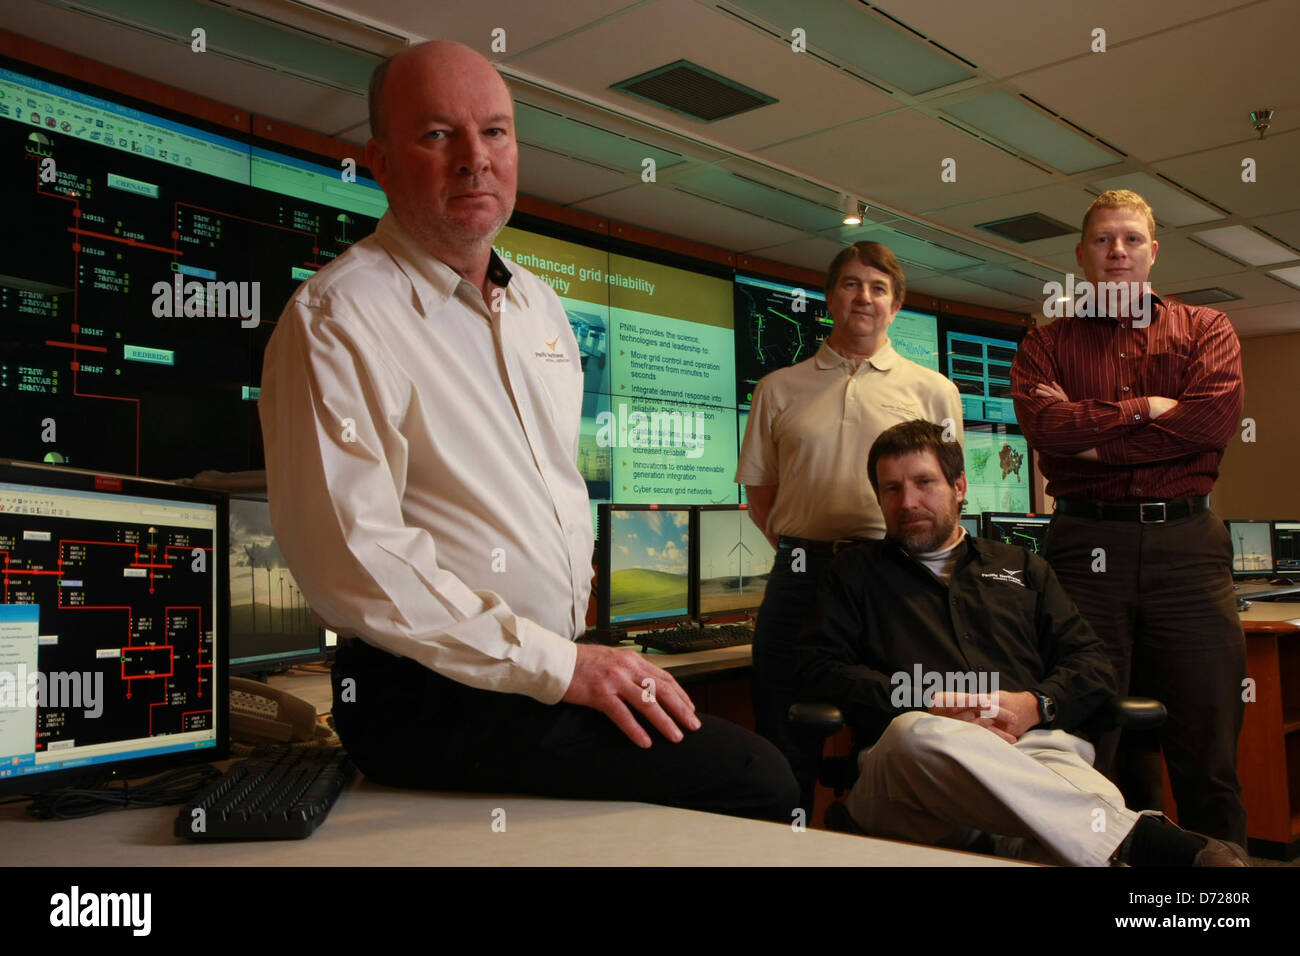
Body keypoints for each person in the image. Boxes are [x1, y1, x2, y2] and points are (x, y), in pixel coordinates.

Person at [258, 40, 797, 820]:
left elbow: (556, 483)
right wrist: (561, 668)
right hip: (428, 694)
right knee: (756, 776)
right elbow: (355, 556)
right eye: (437, 135)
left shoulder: (541, 309)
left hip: (539, 669)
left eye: (496, 132)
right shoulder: (338, 319)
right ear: (379, 160)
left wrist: (573, 652)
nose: (475, 160)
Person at [795, 420, 1247, 865]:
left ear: (959, 485)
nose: (907, 501)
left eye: (924, 482)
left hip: (1031, 751)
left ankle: (1052, 842)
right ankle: (1141, 842)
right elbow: (819, 671)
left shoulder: (1024, 567)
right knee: (914, 734)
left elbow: (1092, 665)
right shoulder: (853, 575)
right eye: (890, 489)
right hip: (909, 775)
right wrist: (926, 702)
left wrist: (1038, 704)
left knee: (1092, 807)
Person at [1010, 189, 1247, 845]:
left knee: (1209, 746)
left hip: (1188, 548)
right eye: (1103, 240)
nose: (1117, 251)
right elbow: (1046, 431)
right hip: (1085, 546)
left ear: (1153, 251)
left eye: (1131, 239)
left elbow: (1211, 422)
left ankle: (1221, 901)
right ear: (1083, 254)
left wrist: (1090, 433)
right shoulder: (1047, 344)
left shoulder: (1206, 329)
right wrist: (1151, 408)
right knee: (1080, 745)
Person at [735, 241, 963, 812]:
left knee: (895, 733)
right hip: (799, 576)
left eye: (879, 287)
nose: (864, 297)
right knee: (781, 728)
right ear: (830, 296)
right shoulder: (778, 388)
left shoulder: (933, 391)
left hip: (893, 578)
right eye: (851, 284)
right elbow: (763, 499)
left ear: (896, 305)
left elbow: (947, 494)